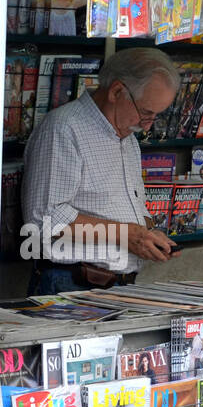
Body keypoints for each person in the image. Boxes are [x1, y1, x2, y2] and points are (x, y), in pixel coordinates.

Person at [22, 48, 182, 294]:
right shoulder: (64, 129)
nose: (148, 125)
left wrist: (148, 236)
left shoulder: (128, 138)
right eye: (145, 113)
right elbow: (45, 219)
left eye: (156, 117)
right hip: (72, 285)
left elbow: (124, 208)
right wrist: (127, 235)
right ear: (117, 92)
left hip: (119, 286)